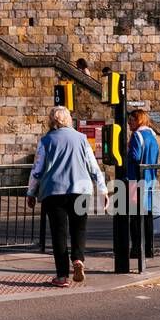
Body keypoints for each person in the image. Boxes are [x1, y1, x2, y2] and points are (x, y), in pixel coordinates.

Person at [26, 105, 109, 287]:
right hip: (80, 190)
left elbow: (37, 169)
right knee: (79, 228)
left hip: (54, 191)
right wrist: (102, 189)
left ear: (52, 120)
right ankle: (78, 259)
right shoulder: (81, 138)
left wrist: (31, 192)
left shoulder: (46, 140)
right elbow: (93, 166)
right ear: (68, 119)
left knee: (59, 233)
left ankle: (62, 276)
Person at [125, 108, 159, 258]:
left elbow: (135, 156)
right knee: (148, 215)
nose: (129, 122)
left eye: (131, 120)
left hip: (136, 180)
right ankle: (149, 248)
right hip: (150, 179)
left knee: (135, 216)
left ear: (138, 119)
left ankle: (136, 249)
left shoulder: (137, 135)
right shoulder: (152, 134)